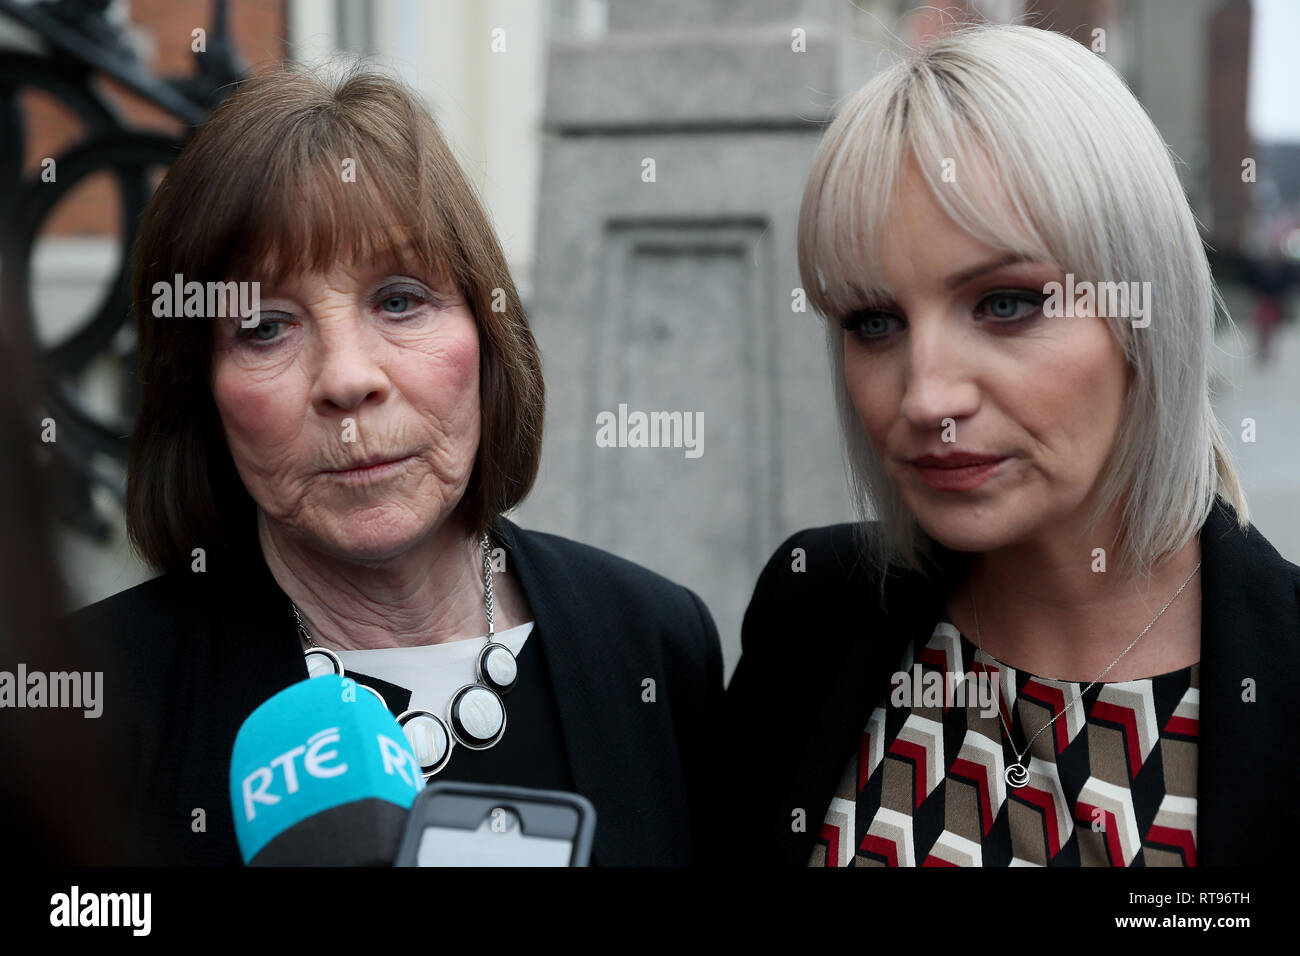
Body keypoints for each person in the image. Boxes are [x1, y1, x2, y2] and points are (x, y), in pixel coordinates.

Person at [63, 63, 722, 866]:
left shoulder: (653, 643)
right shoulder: (88, 701)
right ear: (198, 388)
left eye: (400, 300)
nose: (347, 379)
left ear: (484, 328)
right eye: (266, 327)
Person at [724, 24, 1300, 866]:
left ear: (1149, 304)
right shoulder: (812, 620)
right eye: (873, 321)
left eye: (1006, 305)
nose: (927, 397)